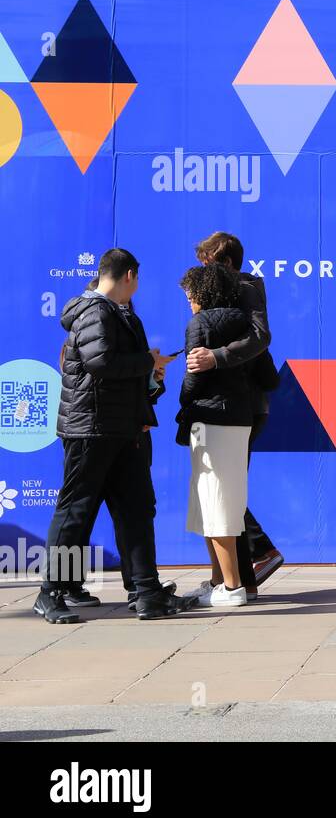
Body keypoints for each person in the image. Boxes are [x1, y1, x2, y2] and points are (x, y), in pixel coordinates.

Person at [35, 249, 191, 623]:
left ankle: (146, 590)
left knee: (136, 508)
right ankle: (51, 592)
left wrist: (151, 377)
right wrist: (147, 362)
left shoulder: (118, 314)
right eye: (137, 279)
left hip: (122, 428)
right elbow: (100, 363)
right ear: (129, 275)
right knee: (76, 510)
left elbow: (119, 371)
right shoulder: (95, 311)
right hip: (90, 428)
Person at [186, 232, 283, 597]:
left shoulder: (245, 288)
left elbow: (260, 338)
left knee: (224, 492)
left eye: (207, 263)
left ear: (224, 262)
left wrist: (216, 357)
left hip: (243, 402)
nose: (202, 272)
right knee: (224, 491)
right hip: (228, 403)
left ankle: (242, 574)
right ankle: (243, 580)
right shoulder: (218, 292)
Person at [177, 264, 258, 609]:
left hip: (211, 419)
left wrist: (182, 398)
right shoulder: (245, 323)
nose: (189, 302)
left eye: (191, 295)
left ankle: (231, 584)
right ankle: (218, 582)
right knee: (220, 500)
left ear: (203, 294)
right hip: (239, 417)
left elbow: (194, 375)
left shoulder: (201, 323)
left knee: (215, 502)